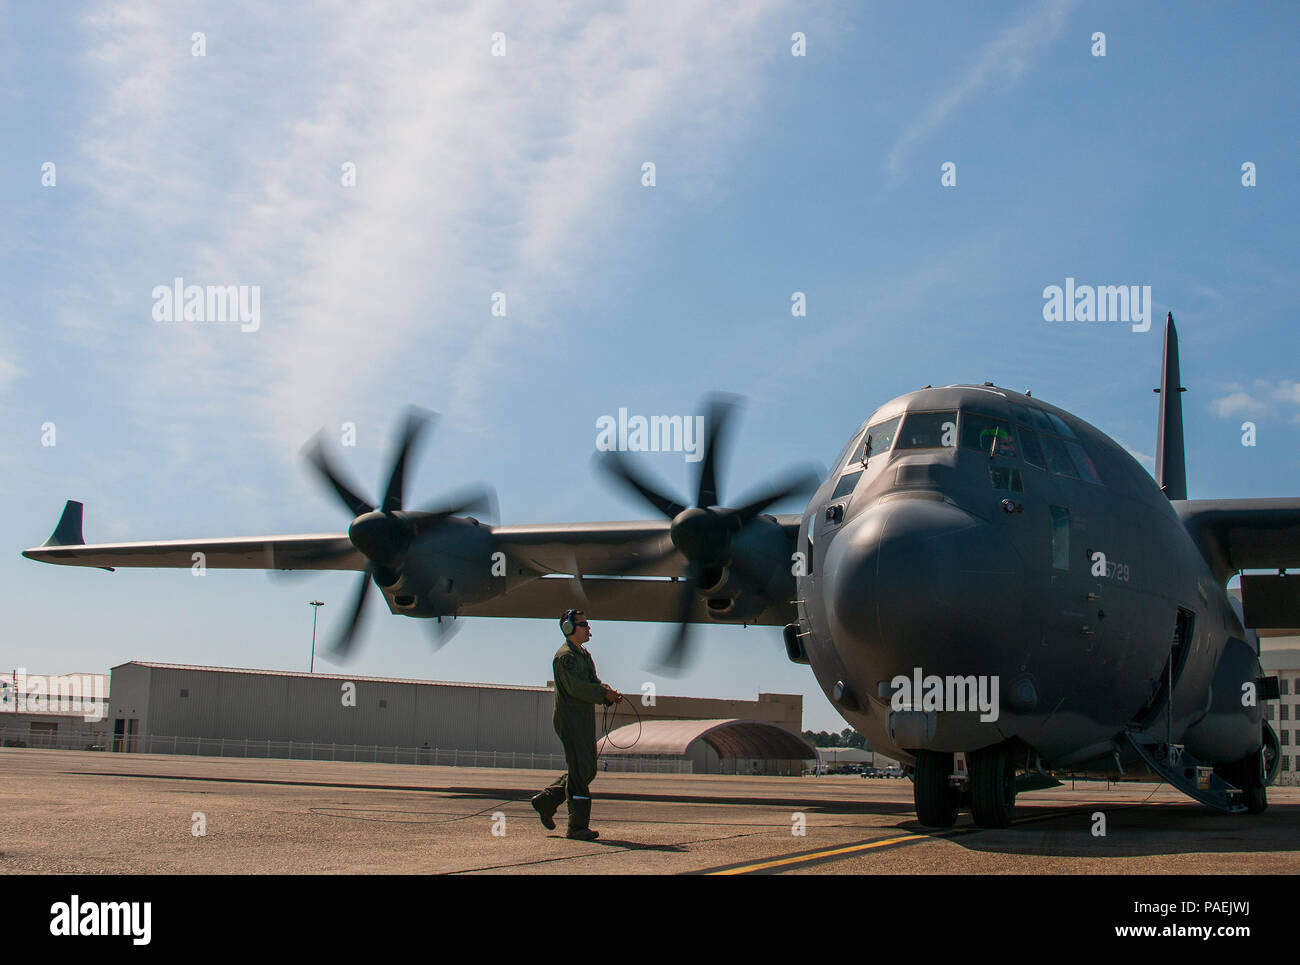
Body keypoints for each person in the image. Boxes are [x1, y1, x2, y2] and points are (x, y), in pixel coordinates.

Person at [531, 609, 621, 840]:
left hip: (582, 719)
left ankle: (547, 800)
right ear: (568, 629)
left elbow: (592, 682)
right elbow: (576, 688)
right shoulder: (565, 657)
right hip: (569, 719)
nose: (588, 628)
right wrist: (602, 695)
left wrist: (606, 691)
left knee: (586, 769)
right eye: (583, 625)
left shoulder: (583, 654)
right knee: (581, 772)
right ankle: (577, 826)